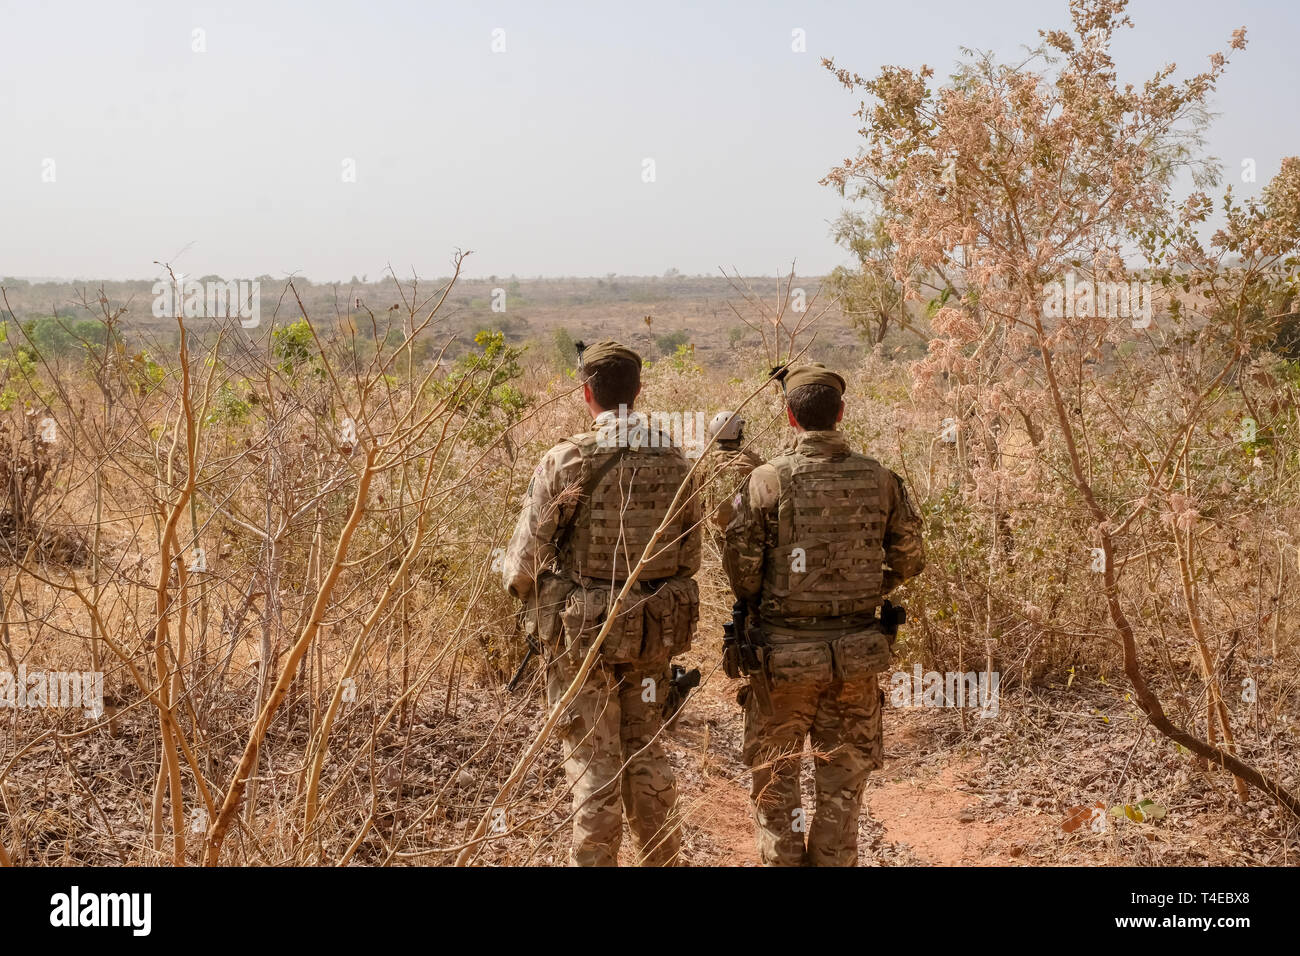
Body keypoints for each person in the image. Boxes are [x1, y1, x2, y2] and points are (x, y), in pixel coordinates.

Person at [502, 340, 702, 866]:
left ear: (586, 392)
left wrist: (536, 598)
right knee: (647, 753)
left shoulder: (566, 459)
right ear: (637, 392)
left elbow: (524, 564)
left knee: (594, 762)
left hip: (581, 639)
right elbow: (689, 557)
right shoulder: (677, 459)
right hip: (652, 634)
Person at [722, 363, 925, 866]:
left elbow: (743, 574)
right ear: (840, 413)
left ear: (790, 417)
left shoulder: (765, 481)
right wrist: (864, 589)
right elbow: (910, 559)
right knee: (842, 793)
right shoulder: (881, 479)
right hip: (856, 659)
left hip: (781, 662)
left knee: (776, 790)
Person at [702, 410, 764, 536]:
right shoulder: (753, 459)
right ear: (739, 433)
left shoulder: (708, 461)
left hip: (716, 528)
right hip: (747, 527)